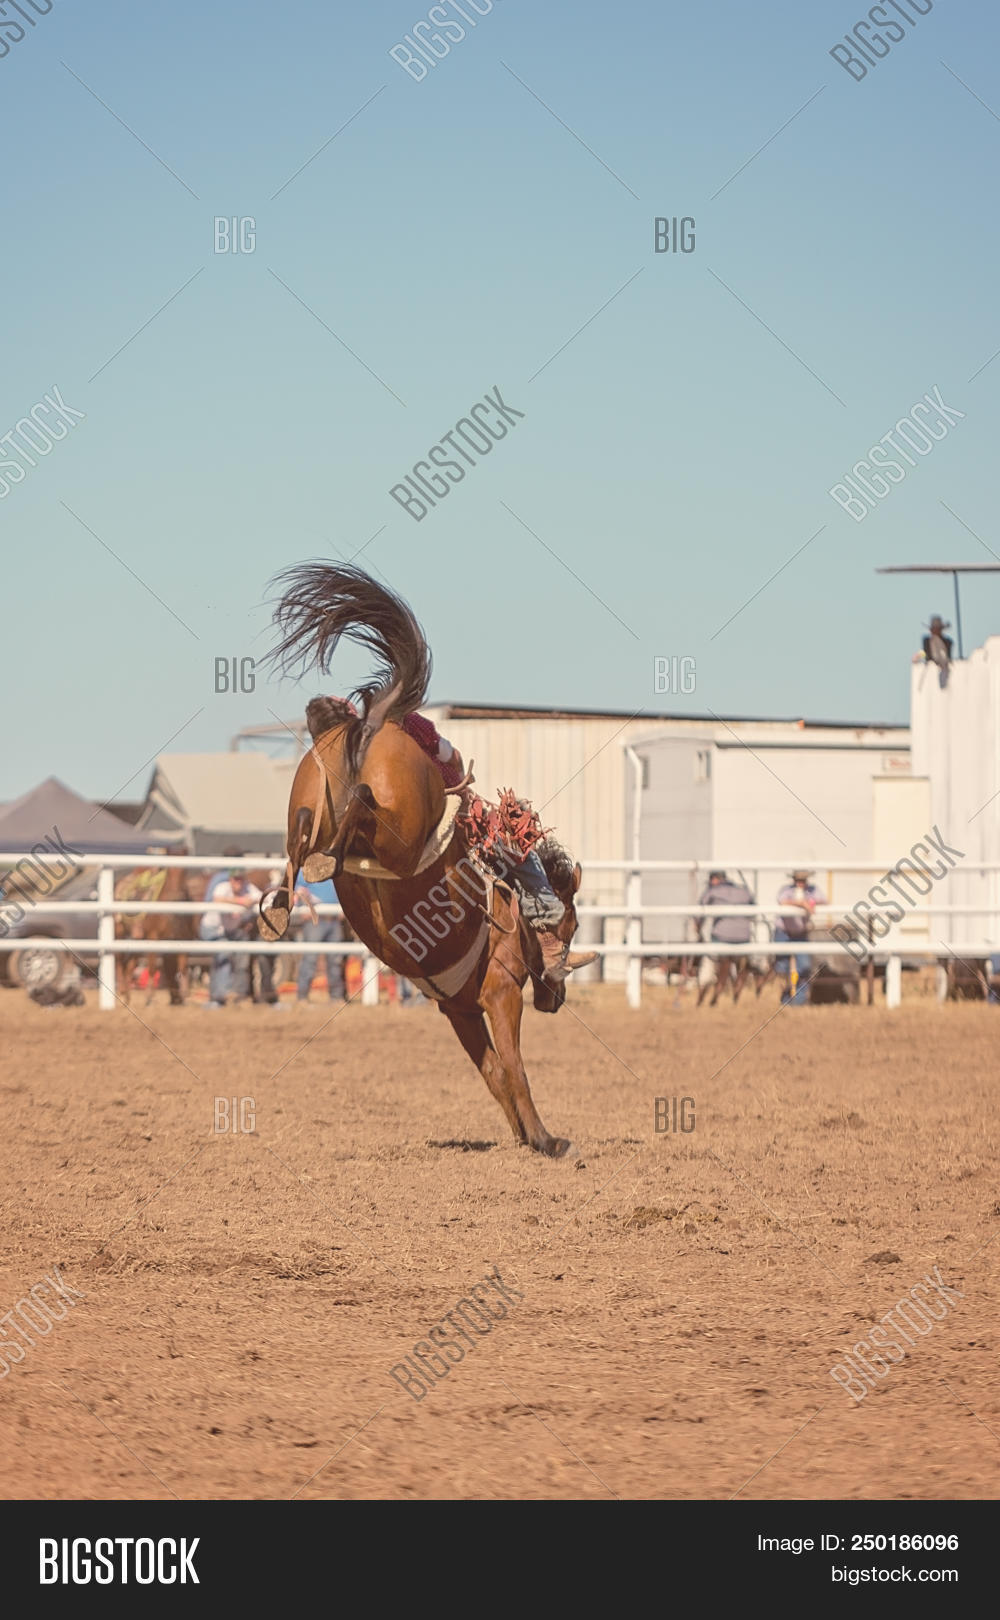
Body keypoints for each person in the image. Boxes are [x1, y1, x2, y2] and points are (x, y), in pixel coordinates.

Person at [199, 866, 261, 1007]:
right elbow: (217, 899)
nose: (237, 882)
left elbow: (262, 897)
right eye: (235, 879)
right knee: (223, 955)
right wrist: (241, 902)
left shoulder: (249, 888)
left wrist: (250, 901)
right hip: (213, 928)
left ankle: (239, 994)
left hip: (231, 930)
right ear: (230, 879)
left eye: (240, 879)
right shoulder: (222, 887)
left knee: (242, 956)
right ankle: (219, 997)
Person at [695, 869, 755, 992]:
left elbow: (699, 912)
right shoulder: (743, 890)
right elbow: (753, 910)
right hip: (744, 936)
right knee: (738, 960)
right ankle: (736, 984)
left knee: (711, 956)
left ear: (714, 879)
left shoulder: (713, 891)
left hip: (722, 936)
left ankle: (708, 983)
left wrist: (698, 929)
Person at [775, 868, 826, 1006]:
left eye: (803, 880)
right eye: (798, 880)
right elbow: (782, 901)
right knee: (782, 968)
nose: (800, 883)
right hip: (784, 932)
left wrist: (809, 902)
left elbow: (824, 900)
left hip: (800, 932)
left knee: (804, 966)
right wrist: (802, 903)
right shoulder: (786, 890)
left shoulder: (812, 890)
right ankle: (785, 997)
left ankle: (799, 1000)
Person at [293, 874, 345, 1003]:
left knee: (335, 960)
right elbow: (297, 890)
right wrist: (304, 904)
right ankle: (302, 996)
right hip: (315, 919)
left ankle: (336, 996)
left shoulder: (335, 866)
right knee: (310, 959)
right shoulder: (305, 868)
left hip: (334, 919)